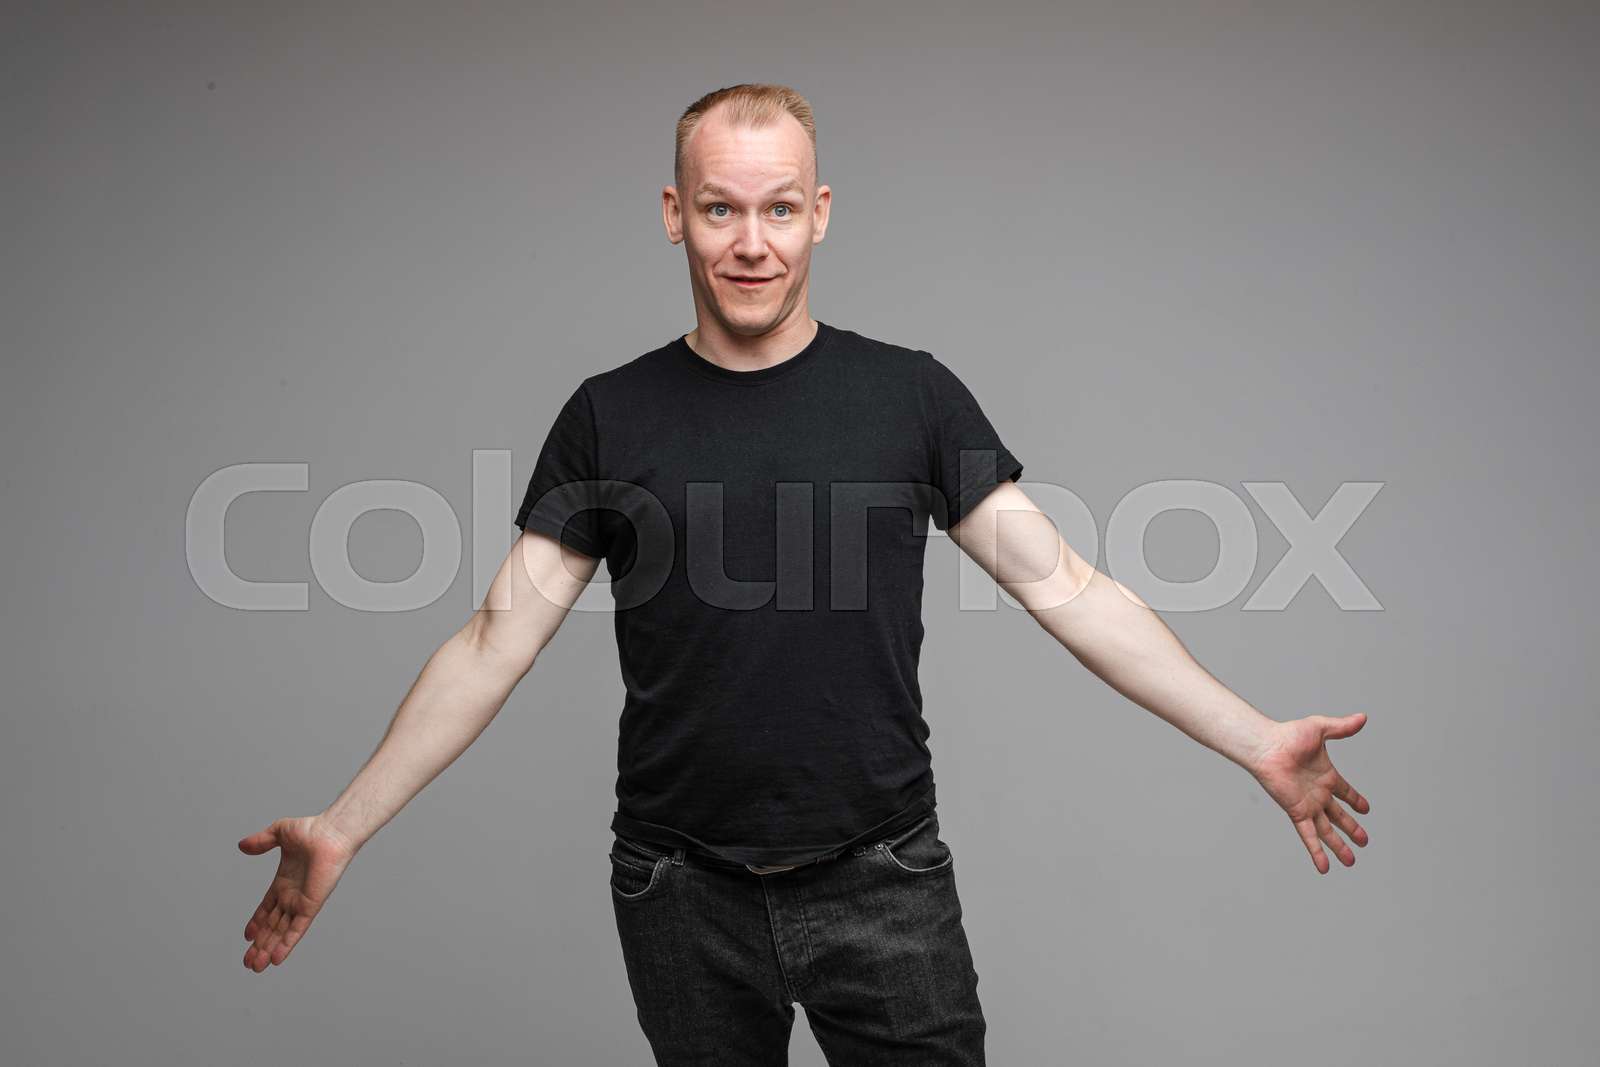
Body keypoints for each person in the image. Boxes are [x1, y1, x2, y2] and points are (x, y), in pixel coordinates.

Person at [236, 83, 1372, 1064]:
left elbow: (1067, 585)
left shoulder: (908, 396)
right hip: (678, 888)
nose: (751, 242)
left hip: (880, 875)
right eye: (721, 208)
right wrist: (344, 821)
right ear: (675, 215)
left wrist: (1254, 736)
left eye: (780, 208)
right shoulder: (608, 415)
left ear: (818, 215)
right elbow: (495, 640)